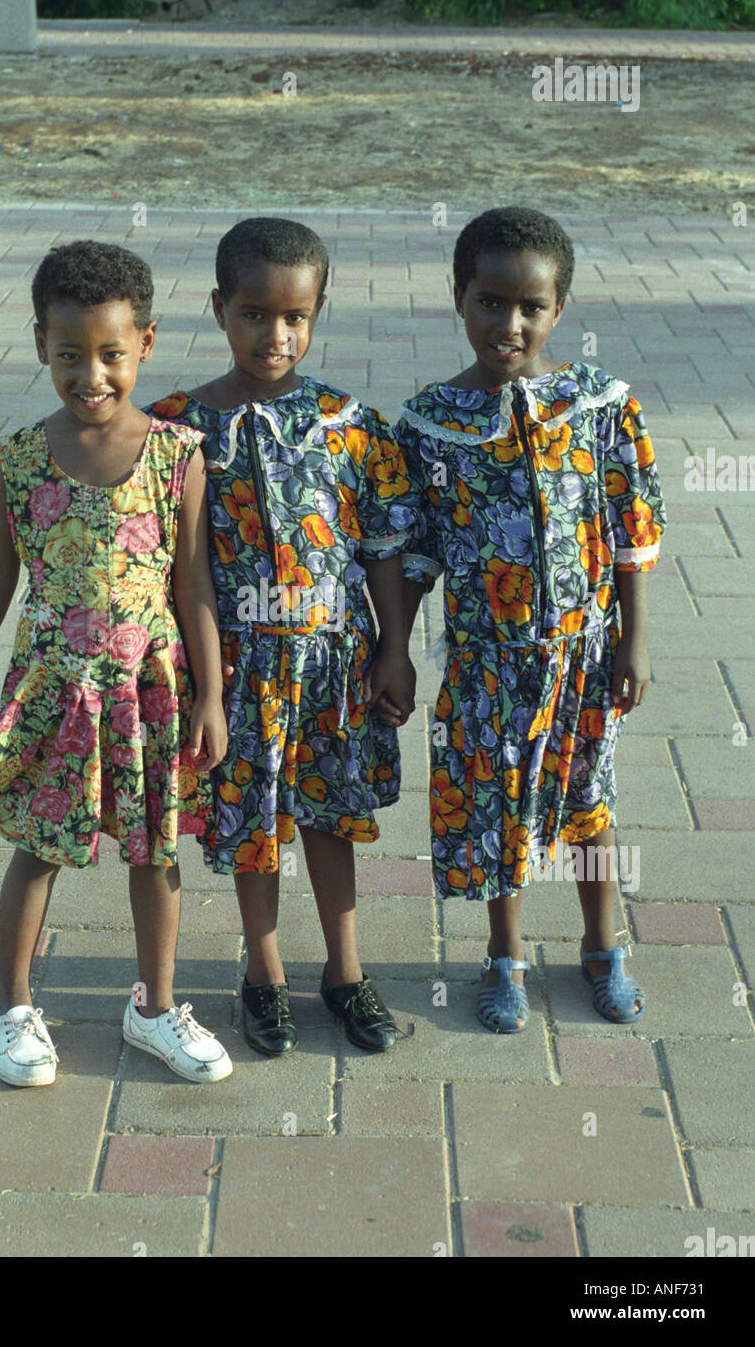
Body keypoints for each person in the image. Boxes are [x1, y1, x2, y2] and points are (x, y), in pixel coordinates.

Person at [0, 240, 232, 1086]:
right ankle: (12, 1006)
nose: (90, 374)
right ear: (39, 346)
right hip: (53, 691)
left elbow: (195, 581)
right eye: (69, 356)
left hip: (152, 689)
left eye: (109, 354)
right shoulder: (21, 458)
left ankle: (155, 1009)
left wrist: (210, 695)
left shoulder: (179, 454)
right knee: (39, 846)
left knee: (156, 852)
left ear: (144, 343)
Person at [150, 217, 417, 1055]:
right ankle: (262, 975)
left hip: (335, 667)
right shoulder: (176, 428)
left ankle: (344, 972)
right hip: (236, 675)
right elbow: (165, 565)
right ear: (219, 308)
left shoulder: (351, 426)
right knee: (255, 822)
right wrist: (194, 684)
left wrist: (394, 647)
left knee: (332, 818)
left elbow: (383, 547)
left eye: (295, 317)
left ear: (318, 312)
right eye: (255, 314)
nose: (276, 334)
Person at [397, 206, 666, 1033]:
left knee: (590, 803)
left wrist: (633, 637)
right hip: (486, 662)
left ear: (559, 310)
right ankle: (504, 956)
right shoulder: (430, 422)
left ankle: (601, 945)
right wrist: (392, 652)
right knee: (495, 808)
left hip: (583, 658)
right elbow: (415, 553)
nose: (507, 324)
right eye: (488, 301)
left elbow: (631, 531)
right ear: (458, 296)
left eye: (529, 307)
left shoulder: (598, 406)